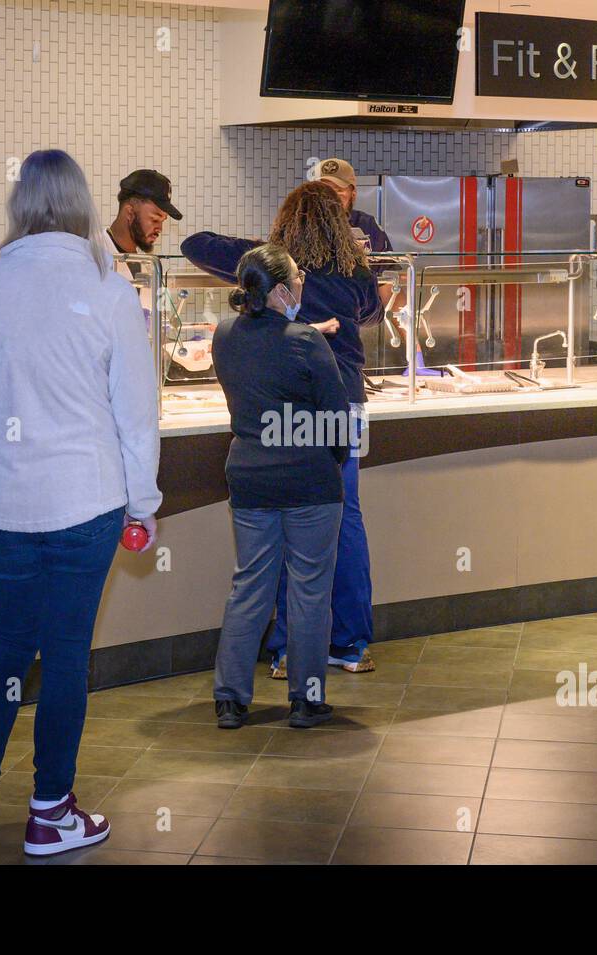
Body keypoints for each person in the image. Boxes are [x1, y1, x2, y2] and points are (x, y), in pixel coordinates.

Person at [0, 149, 162, 856]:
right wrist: (142, 501)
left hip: (2, 502)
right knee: (66, 654)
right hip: (85, 499)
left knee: (10, 643)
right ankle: (50, 813)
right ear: (84, 203)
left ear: (20, 204)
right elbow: (136, 408)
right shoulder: (106, 283)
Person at [182, 181, 382, 678]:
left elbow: (194, 244)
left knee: (291, 529)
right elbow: (374, 312)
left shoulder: (276, 266)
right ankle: (349, 645)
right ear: (340, 223)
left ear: (285, 222)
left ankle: (290, 650)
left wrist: (258, 250)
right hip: (344, 407)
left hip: (286, 410)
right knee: (344, 521)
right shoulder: (355, 268)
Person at [210, 244, 352, 730]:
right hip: (309, 481)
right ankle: (306, 700)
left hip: (249, 476)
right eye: (298, 278)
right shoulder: (306, 339)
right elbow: (338, 421)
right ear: (280, 289)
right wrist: (328, 463)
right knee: (310, 590)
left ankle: (229, 698)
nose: (302, 285)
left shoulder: (225, 333)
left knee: (249, 584)